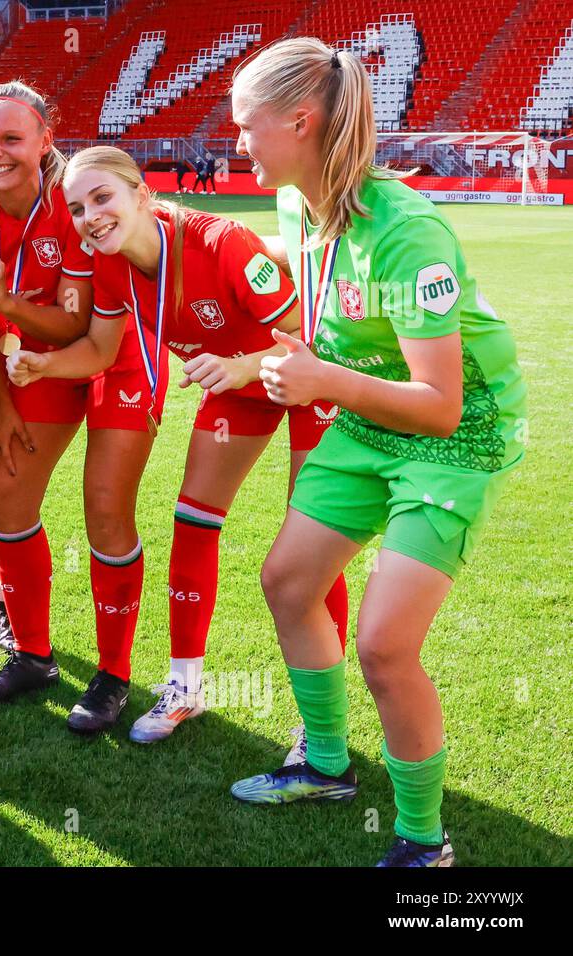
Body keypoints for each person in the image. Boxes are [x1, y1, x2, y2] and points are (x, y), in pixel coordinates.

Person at [227, 38, 526, 867]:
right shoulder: (299, 202)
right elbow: (316, 301)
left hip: (452, 442)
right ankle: (325, 766)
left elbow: (440, 406)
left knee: (385, 645)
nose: (236, 143)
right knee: (288, 581)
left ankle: (423, 843)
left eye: (246, 126)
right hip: (366, 420)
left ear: (301, 120)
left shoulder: (408, 230)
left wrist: (320, 378)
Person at [11, 144, 349, 740]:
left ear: (142, 195)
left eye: (102, 198)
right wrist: (45, 366)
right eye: (78, 207)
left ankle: (316, 722)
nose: (91, 216)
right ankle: (184, 687)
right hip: (235, 387)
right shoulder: (111, 263)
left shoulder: (222, 242)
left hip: (307, 383)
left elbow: (305, 341)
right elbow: (98, 351)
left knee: (310, 551)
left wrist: (243, 367)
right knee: (193, 520)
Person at [0, 82, 105, 719]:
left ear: (45, 141)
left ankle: (33, 656)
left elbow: (73, 325)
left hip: (63, 365)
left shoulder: (70, 209)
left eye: (11, 138)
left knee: (6, 494)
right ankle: (5, 594)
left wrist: (6, 300)